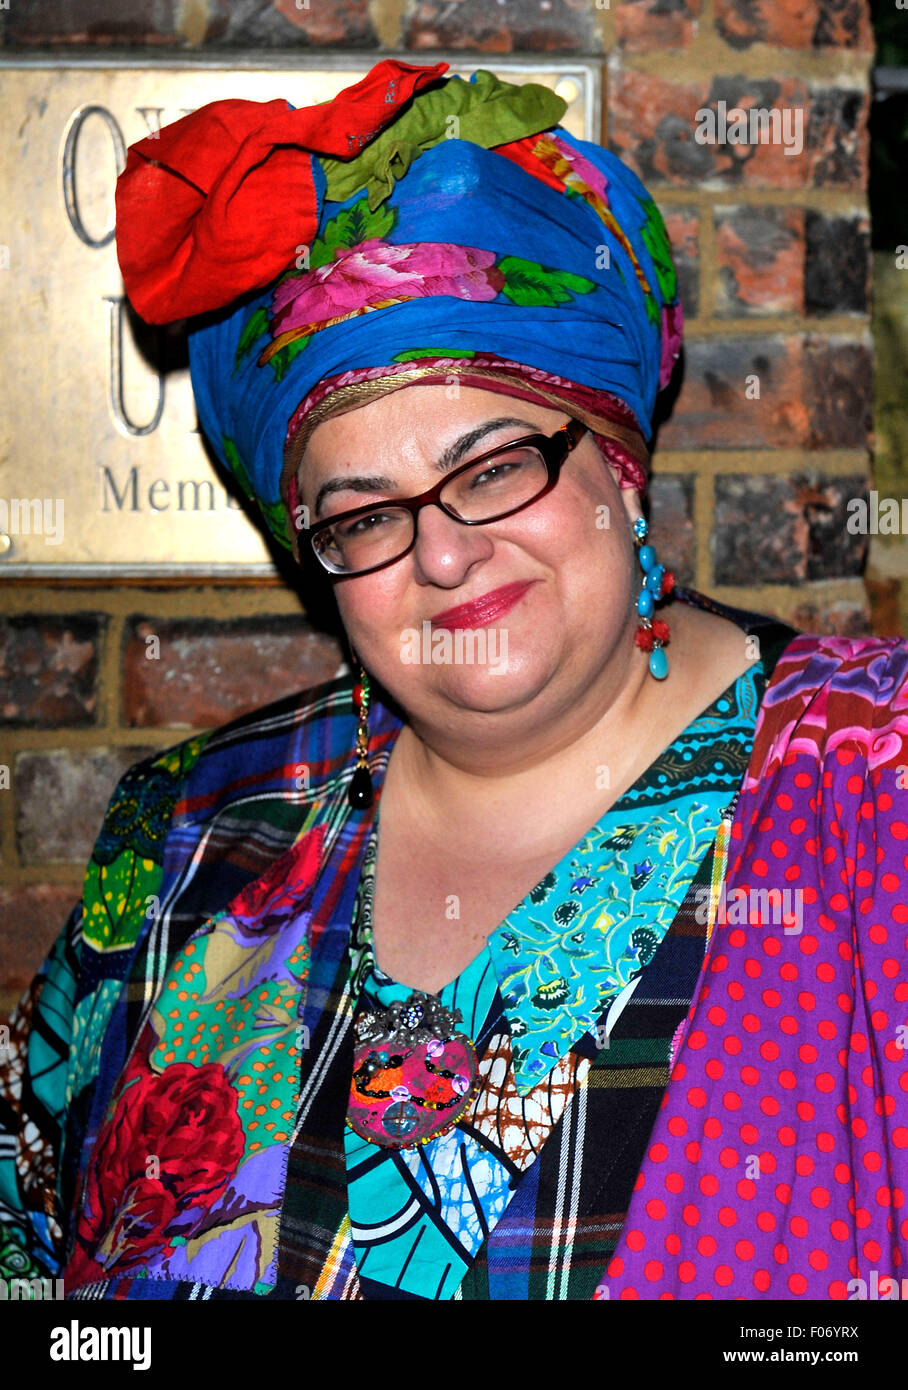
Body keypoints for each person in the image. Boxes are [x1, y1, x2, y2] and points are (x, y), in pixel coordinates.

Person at [1, 58, 906, 1303]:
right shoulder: (194, 832)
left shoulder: (872, 782)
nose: (441, 550)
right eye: (362, 518)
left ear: (617, 467)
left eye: (491, 468)